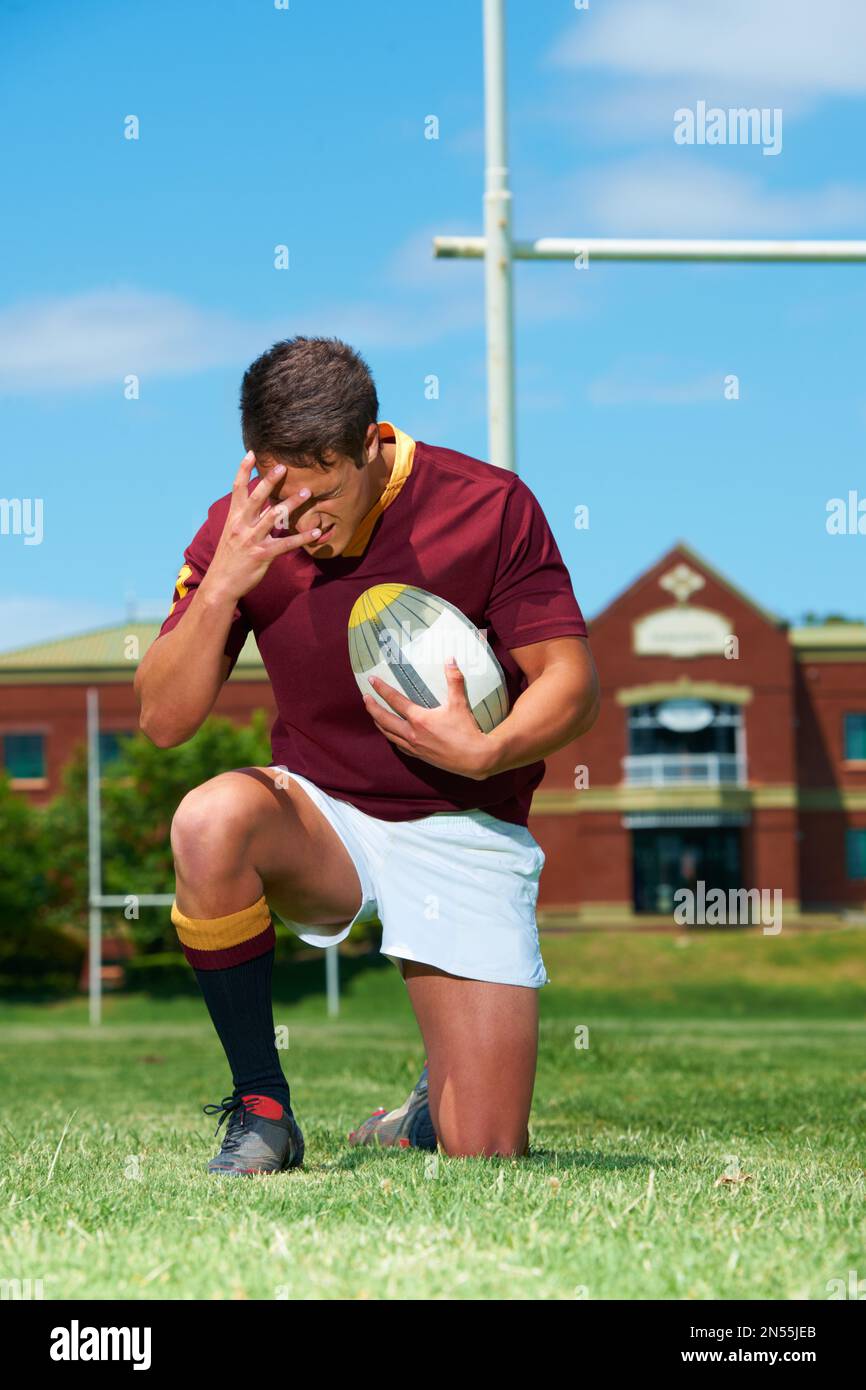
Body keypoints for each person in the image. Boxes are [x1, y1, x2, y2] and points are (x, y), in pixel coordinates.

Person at [134, 336, 599, 1175]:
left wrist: (489, 748)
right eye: (285, 496)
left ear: (372, 445)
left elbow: (572, 684)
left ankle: (421, 1115)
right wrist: (225, 582)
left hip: (464, 817)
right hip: (325, 819)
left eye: (325, 499)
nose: (304, 527)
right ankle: (264, 1112)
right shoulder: (240, 525)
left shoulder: (487, 505)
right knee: (210, 821)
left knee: (486, 1150)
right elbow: (163, 721)